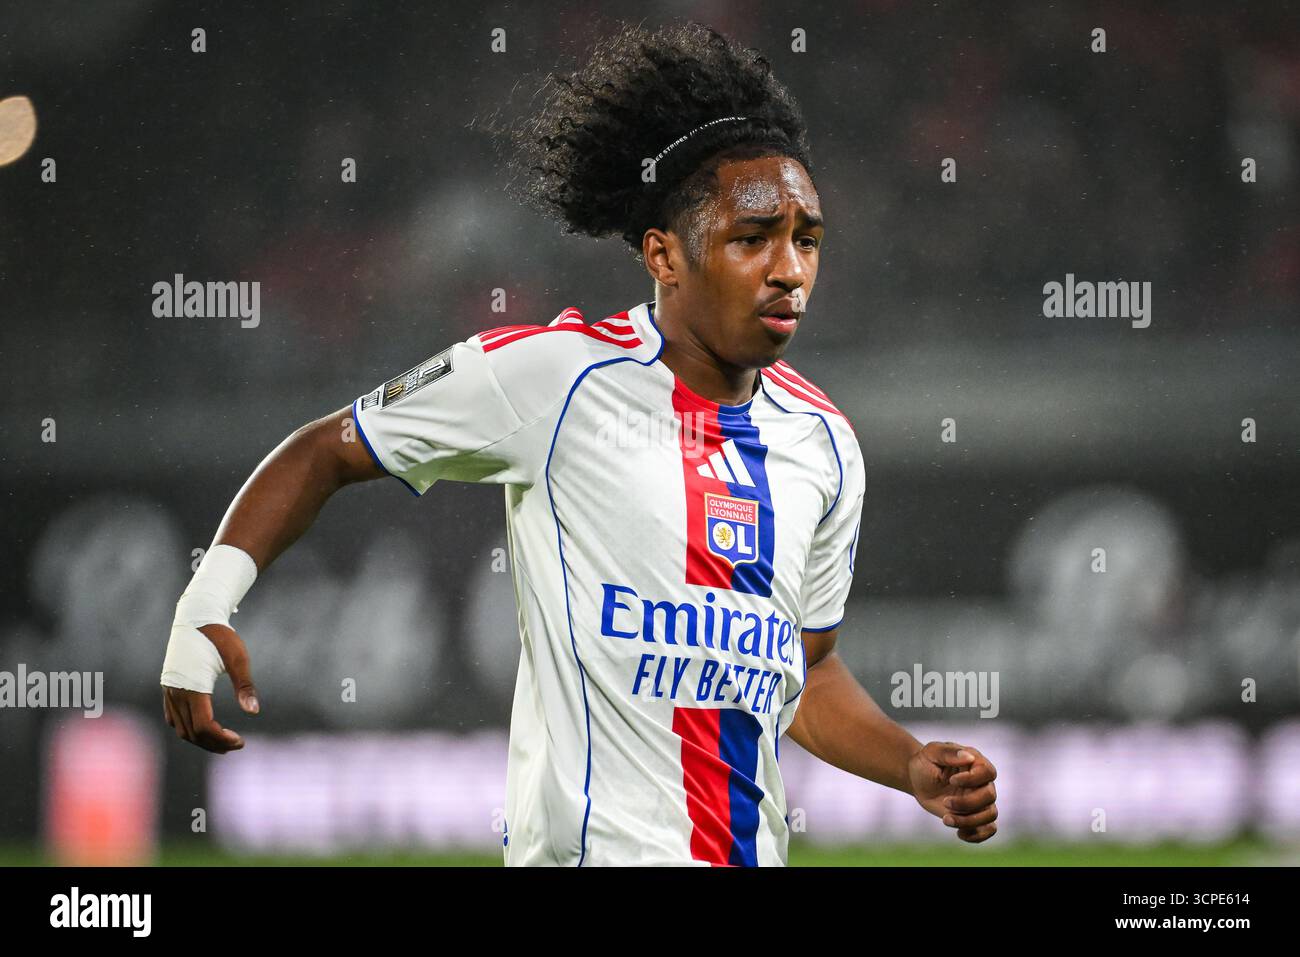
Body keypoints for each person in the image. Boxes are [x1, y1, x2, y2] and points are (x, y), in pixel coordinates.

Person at [161, 22, 997, 866]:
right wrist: (205, 606)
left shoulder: (824, 443)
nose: (790, 269)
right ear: (664, 255)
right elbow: (328, 448)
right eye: (753, 238)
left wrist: (911, 764)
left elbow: (808, 676)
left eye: (806, 239)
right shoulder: (556, 377)